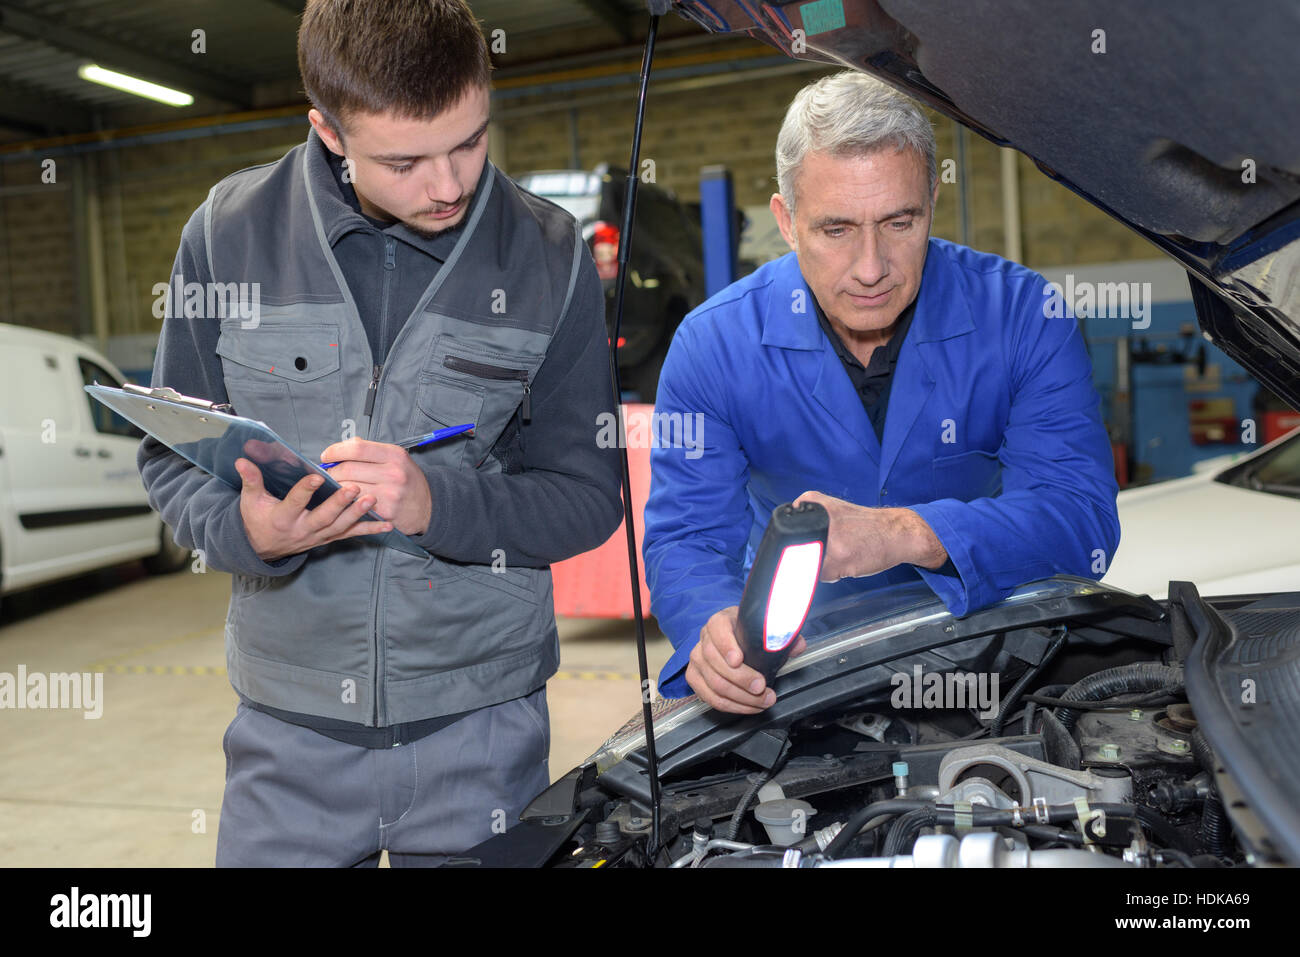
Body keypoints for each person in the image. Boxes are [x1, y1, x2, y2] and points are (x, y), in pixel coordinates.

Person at [137, 0, 622, 865]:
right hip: (288, 741)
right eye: (404, 160)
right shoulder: (227, 234)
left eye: (471, 140)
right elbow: (172, 449)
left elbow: (589, 496)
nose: (450, 186)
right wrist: (244, 530)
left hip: (483, 735)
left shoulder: (549, 255)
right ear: (328, 129)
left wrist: (440, 500)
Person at [642, 72, 1120, 714]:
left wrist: (904, 533)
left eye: (898, 222)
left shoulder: (1025, 316)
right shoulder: (713, 345)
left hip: (989, 663)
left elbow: (1079, 518)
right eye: (835, 230)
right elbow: (689, 537)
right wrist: (714, 632)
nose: (871, 268)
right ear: (786, 221)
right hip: (798, 675)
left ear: (932, 200)